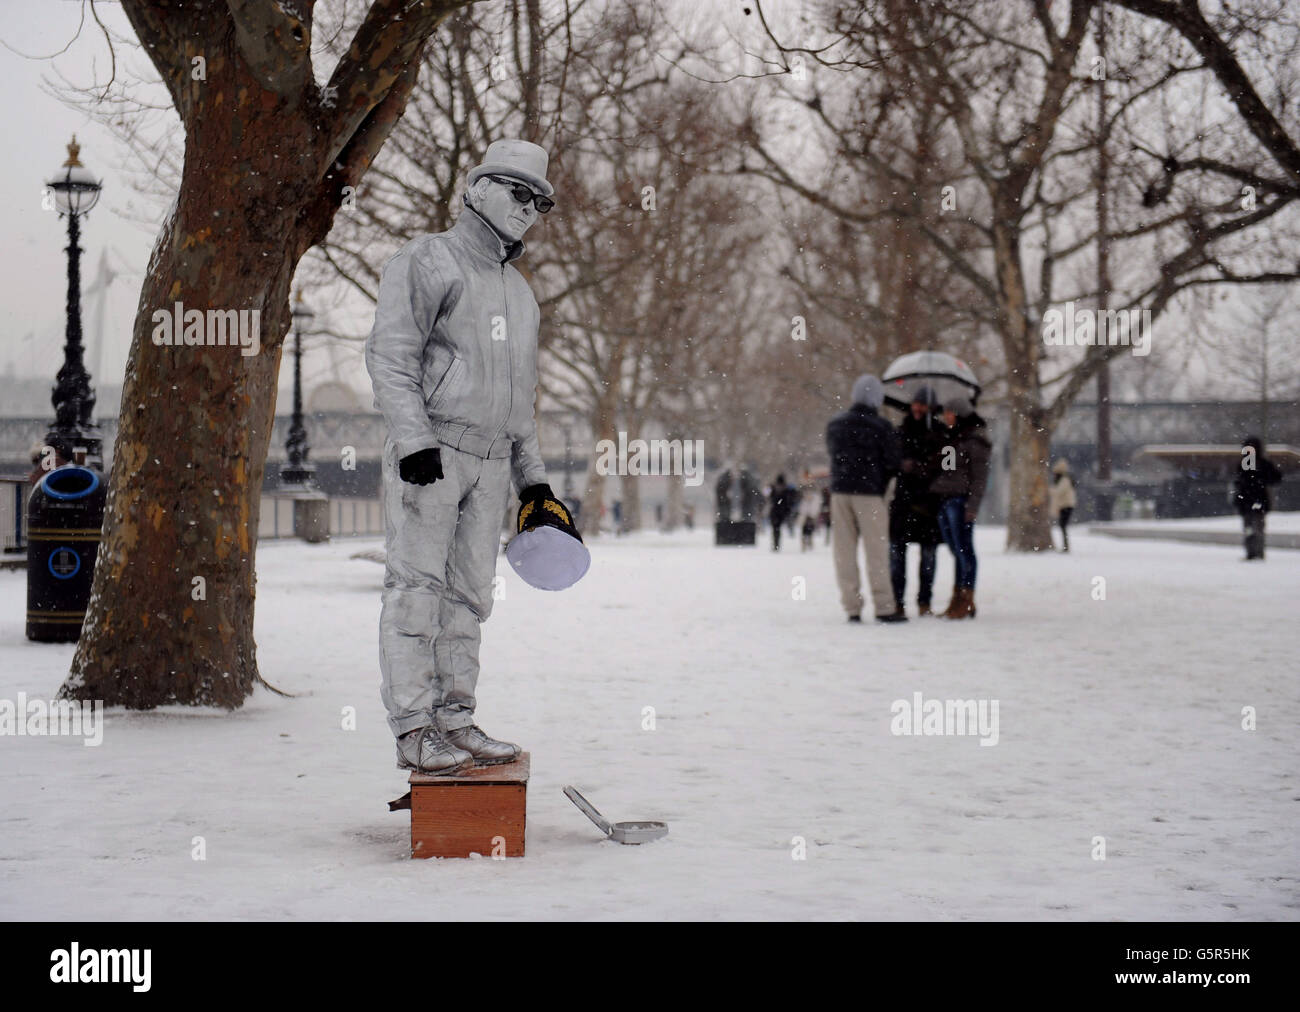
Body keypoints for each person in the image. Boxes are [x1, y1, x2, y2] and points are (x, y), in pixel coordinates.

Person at [366, 138, 562, 775]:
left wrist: (534, 484)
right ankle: (414, 729)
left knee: (471, 597)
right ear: (478, 189)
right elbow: (391, 357)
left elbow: (521, 400)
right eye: (517, 191)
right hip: (435, 451)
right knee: (416, 590)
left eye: (539, 201)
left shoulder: (522, 295)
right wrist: (416, 439)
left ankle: (455, 716)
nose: (528, 208)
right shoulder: (428, 260)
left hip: (492, 461)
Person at [826, 374, 904, 624]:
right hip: (870, 494)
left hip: (839, 493)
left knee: (844, 552)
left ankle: (851, 606)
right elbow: (893, 463)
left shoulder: (835, 425)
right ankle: (884, 606)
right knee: (877, 552)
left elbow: (833, 455)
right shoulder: (881, 427)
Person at [929, 395, 991, 620]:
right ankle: (959, 597)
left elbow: (979, 478)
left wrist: (972, 505)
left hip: (960, 501)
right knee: (957, 551)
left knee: (964, 551)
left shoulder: (976, 441)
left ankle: (966, 597)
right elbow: (947, 470)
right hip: (946, 499)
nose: (946, 417)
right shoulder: (952, 438)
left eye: (949, 413)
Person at [888, 386, 946, 617]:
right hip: (903, 502)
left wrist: (927, 466)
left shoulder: (943, 434)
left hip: (930, 504)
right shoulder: (900, 432)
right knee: (897, 555)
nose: (918, 408)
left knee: (929, 557)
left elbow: (949, 466)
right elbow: (890, 461)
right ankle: (898, 602)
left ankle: (924, 602)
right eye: (915, 403)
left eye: (923, 404)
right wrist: (902, 465)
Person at [1233, 435, 1282, 560]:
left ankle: (1254, 553)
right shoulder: (1259, 463)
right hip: (1256, 501)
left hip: (1252, 501)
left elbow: (1240, 483)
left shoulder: (1249, 464)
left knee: (1252, 528)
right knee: (1254, 528)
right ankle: (1255, 553)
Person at [1049, 458, 1077, 552]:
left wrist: (1049, 490)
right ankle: (1065, 545)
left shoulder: (1065, 480)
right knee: (1062, 525)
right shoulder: (1064, 479)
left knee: (1063, 525)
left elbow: (1058, 492)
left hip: (1066, 505)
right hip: (1064, 505)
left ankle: (1066, 546)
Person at [768, 474, 794, 550]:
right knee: (777, 528)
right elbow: (788, 501)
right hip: (781, 512)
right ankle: (776, 543)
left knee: (775, 528)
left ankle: (776, 543)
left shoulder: (774, 488)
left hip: (775, 511)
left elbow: (770, 498)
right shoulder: (786, 489)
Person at [797, 470, 819, 551]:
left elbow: (816, 494)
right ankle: (804, 541)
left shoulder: (813, 484)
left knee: (810, 525)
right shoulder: (801, 484)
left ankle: (809, 539)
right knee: (804, 526)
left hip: (811, 507)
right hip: (804, 507)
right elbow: (798, 495)